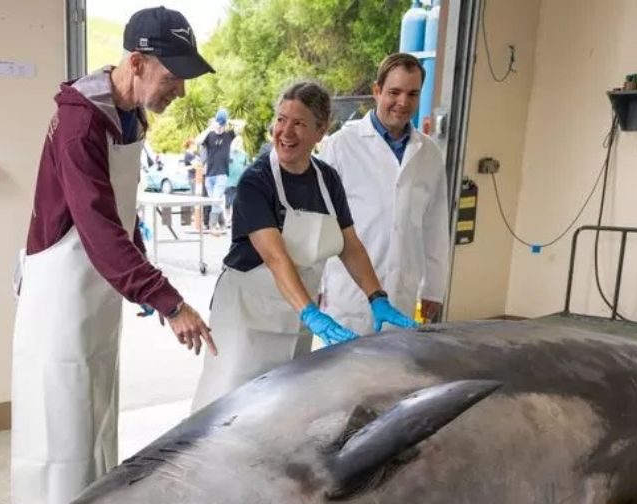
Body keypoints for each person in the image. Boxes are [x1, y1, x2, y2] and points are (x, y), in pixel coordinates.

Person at [10, 6, 218, 504]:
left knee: (96, 413)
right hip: (62, 290)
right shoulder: (81, 123)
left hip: (95, 285)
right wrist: (168, 301)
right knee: (65, 427)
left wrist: (140, 269)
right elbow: (99, 226)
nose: (181, 91)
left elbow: (121, 214)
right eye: (173, 77)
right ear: (137, 62)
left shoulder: (129, 117)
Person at [190, 80, 417, 412]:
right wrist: (314, 315)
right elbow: (275, 257)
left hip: (295, 319)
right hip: (248, 317)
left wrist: (377, 298)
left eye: (299, 123)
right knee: (228, 409)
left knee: (280, 410)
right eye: (281, 119)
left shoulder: (327, 180)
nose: (286, 131)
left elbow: (350, 245)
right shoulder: (257, 181)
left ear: (320, 130)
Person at [318, 53, 451, 332]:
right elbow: (321, 221)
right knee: (344, 373)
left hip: (402, 294)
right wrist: (315, 284)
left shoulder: (429, 154)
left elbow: (435, 226)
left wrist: (434, 288)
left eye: (412, 94)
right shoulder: (341, 147)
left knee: (395, 373)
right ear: (377, 91)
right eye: (394, 92)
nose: (403, 102)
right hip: (348, 296)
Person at [199, 108, 237, 235]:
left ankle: (212, 226)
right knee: (214, 202)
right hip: (209, 174)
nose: (220, 127)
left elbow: (241, 126)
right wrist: (210, 128)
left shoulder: (228, 135)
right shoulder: (209, 135)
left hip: (222, 173)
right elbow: (198, 141)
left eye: (222, 124)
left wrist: (228, 121)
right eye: (219, 123)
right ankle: (223, 225)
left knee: (215, 200)